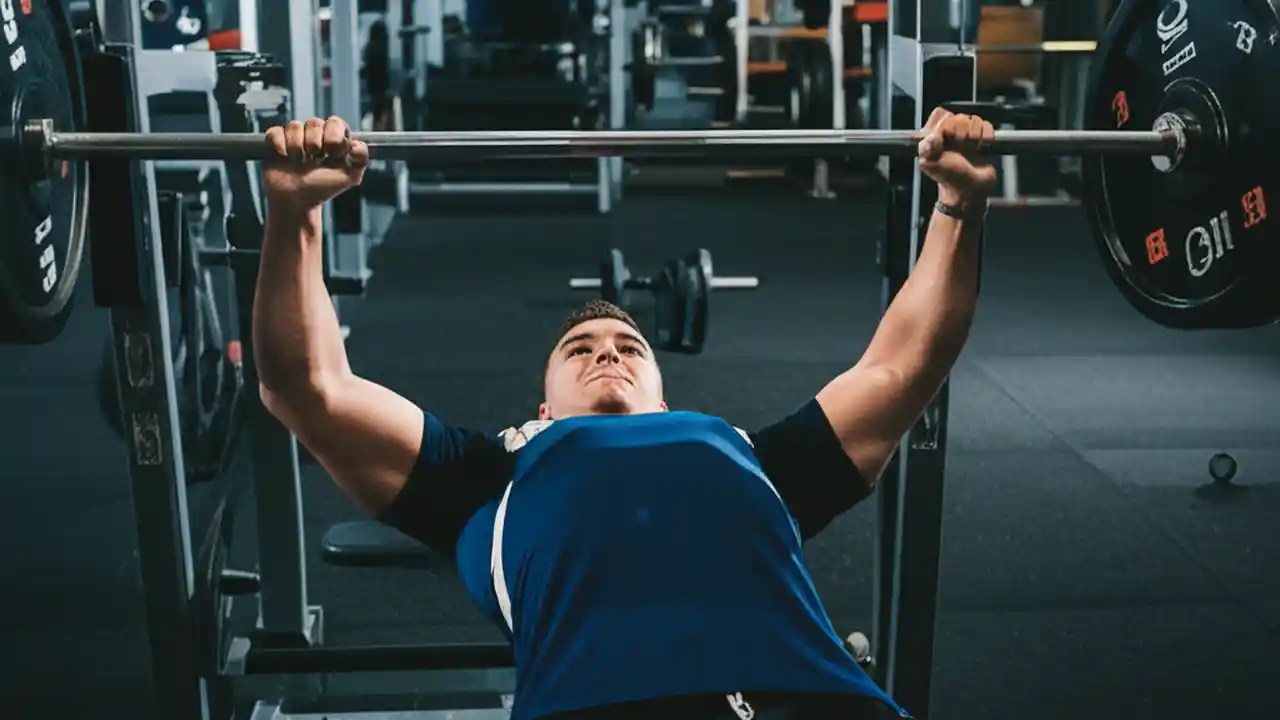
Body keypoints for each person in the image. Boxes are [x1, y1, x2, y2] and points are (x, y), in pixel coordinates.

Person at [254, 110, 997, 720]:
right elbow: (306, 388)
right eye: (579, 347)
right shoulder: (483, 475)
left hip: (813, 704)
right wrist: (296, 216)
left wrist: (959, 204)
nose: (606, 353)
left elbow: (903, 366)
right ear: (542, 410)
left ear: (666, 400)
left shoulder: (752, 457)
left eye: (628, 347)